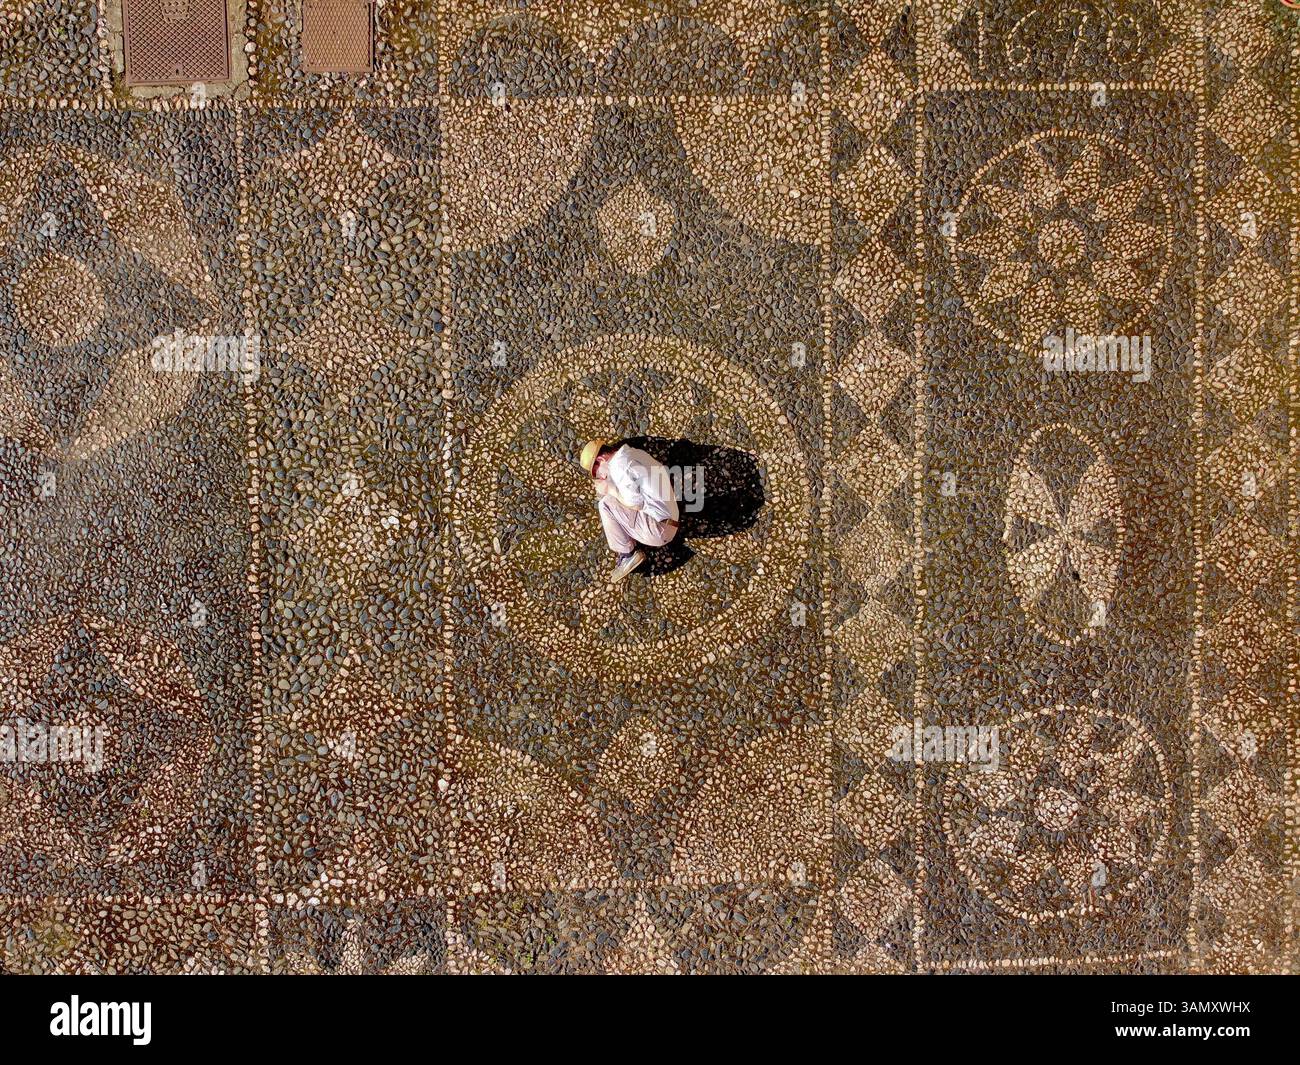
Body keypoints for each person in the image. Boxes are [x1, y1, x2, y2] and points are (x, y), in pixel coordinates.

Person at [579, 439, 680, 583]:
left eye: (597, 473)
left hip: (660, 529)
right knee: (610, 496)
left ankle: (627, 554)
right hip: (671, 515)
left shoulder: (620, 467)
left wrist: (609, 490)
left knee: (606, 504)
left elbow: (635, 504)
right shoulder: (632, 453)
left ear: (600, 459)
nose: (601, 477)